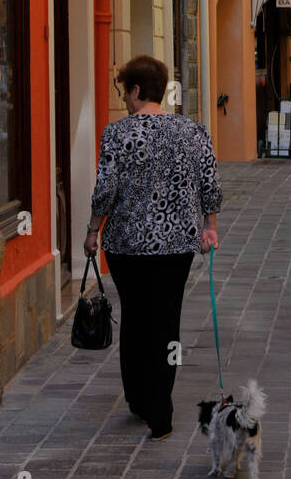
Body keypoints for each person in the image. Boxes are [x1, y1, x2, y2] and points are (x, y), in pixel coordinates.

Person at [84, 55, 222, 441]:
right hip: (176, 245)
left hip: (126, 246)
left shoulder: (117, 134)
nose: (123, 99)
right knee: (166, 321)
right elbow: (210, 182)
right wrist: (210, 226)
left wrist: (93, 230)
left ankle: (139, 397)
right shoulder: (194, 132)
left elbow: (105, 190)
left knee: (136, 319)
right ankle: (160, 409)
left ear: (137, 90)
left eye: (123, 91)